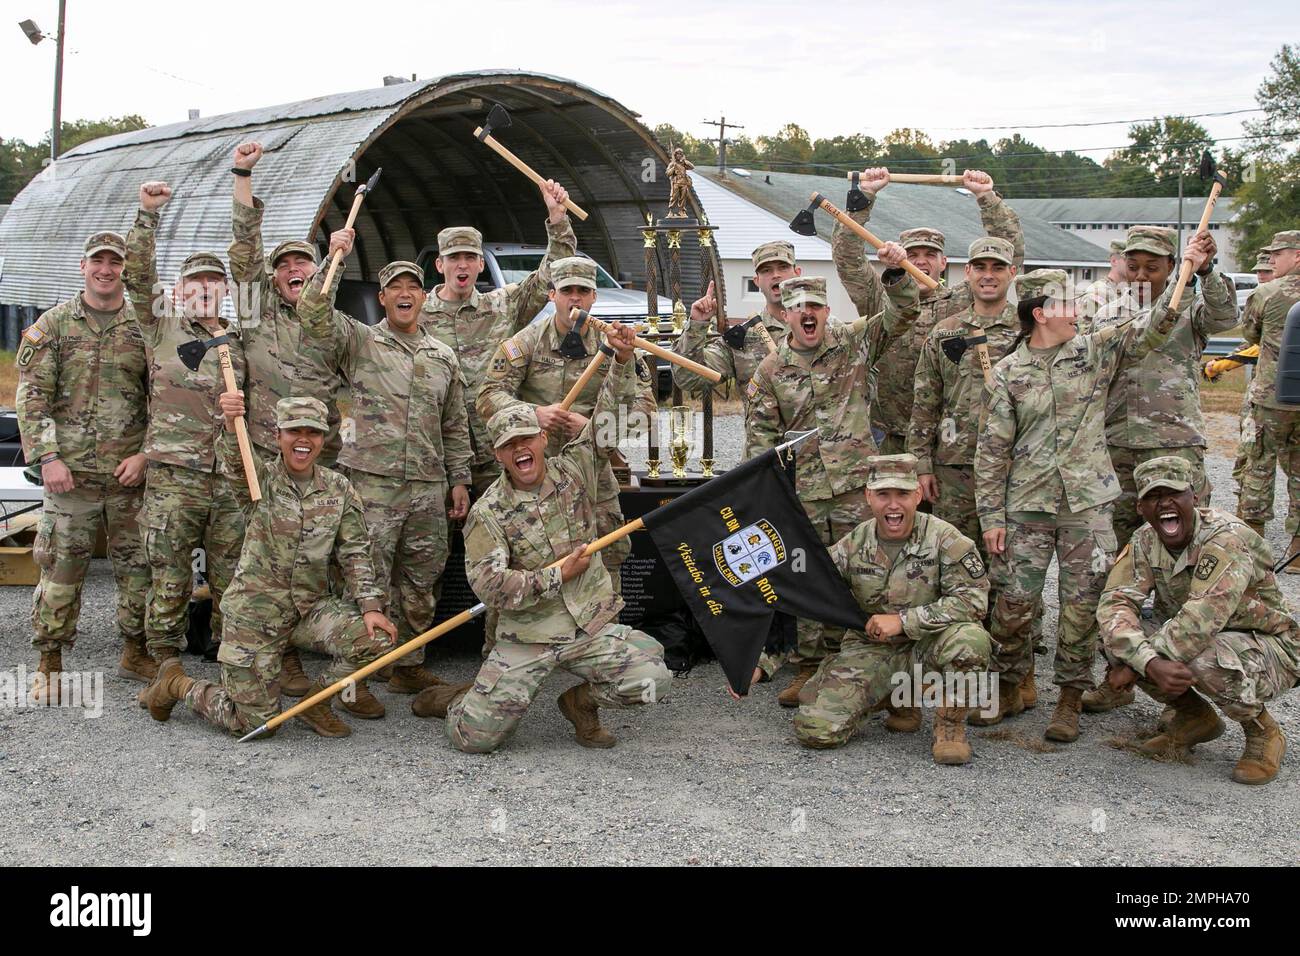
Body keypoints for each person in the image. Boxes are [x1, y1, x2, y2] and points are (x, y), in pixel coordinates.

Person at [414, 323, 672, 753]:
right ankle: (459, 700)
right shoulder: (488, 513)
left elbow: (608, 425)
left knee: (652, 679)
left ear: (543, 439)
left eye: (526, 439)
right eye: (508, 444)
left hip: (586, 627)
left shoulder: (576, 470)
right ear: (497, 454)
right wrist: (554, 577)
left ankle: (579, 703)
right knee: (473, 741)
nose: (519, 450)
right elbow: (489, 586)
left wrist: (623, 361)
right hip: (527, 637)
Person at [975, 267, 1183, 742]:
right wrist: (990, 515)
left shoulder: (1093, 351)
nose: (1078, 312)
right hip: (1025, 505)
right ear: (1042, 314)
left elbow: (1154, 326)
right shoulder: (1008, 372)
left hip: (1086, 505)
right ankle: (1010, 685)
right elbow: (991, 452)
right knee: (1013, 604)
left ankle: (1069, 696)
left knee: (1082, 605)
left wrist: (1186, 271)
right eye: (1068, 305)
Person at [141, 395, 399, 738]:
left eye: (314, 432)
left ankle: (315, 703)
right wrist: (232, 422)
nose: (304, 440)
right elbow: (234, 460)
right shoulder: (258, 480)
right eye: (294, 431)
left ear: (324, 439)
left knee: (377, 639)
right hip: (255, 616)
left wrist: (370, 606)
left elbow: (354, 552)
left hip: (308, 610)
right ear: (278, 436)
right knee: (255, 726)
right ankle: (177, 685)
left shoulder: (339, 488)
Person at [299, 252, 472, 694]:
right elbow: (314, 311)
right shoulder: (360, 342)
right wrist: (336, 257)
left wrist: (459, 481)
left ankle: (408, 663)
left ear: (423, 299)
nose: (405, 294)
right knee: (366, 576)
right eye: (395, 287)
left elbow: (453, 424)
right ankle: (360, 669)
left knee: (421, 580)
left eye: (413, 287)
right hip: (371, 485)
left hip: (428, 488)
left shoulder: (442, 357)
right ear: (382, 298)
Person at [745, 264, 919, 706]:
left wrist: (896, 273)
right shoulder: (770, 371)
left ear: (827, 311)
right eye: (797, 306)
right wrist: (766, 500)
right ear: (784, 313)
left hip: (855, 489)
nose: (807, 314)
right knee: (806, 577)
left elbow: (902, 312)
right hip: (802, 494)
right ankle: (810, 668)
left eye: (815, 306)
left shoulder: (854, 342)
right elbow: (759, 442)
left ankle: (868, 663)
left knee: (865, 575)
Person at [228, 140, 355, 695]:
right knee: (260, 559)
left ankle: (303, 650)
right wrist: (243, 175)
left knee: (313, 559)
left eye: (303, 262)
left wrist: (337, 252)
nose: (293, 270)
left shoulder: (329, 318)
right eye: (283, 266)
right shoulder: (256, 315)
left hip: (319, 462)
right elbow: (243, 246)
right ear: (272, 277)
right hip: (262, 461)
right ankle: (250, 648)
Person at [1098, 456, 1297, 785]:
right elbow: (1115, 602)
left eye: (1174, 494)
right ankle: (1195, 718)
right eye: (1153, 497)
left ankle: (1263, 731)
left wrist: (1140, 664)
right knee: (1115, 638)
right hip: (1200, 638)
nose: (1164, 504)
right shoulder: (1144, 540)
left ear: (1195, 498)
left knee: (1199, 657)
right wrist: (1140, 657)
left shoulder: (1225, 539)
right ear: (1140, 508)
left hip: (1269, 645)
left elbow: (1199, 621)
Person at [17, 231, 152, 702]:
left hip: (128, 476)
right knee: (61, 569)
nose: (106, 270)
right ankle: (49, 661)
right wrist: (48, 458)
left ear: (124, 269)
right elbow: (31, 397)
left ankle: (136, 650)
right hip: (69, 477)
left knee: (139, 570)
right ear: (83, 266)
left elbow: (168, 397)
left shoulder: (144, 327)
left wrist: (146, 454)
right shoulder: (53, 325)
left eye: (115, 262)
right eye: (99, 261)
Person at [123, 181, 248, 682]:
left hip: (228, 476)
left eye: (214, 282)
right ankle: (164, 658)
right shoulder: (162, 328)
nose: (204, 290)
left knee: (231, 571)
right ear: (178, 291)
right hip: (175, 475)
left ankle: (228, 653)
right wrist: (148, 214)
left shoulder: (238, 340)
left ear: (225, 290)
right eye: (194, 283)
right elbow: (136, 274)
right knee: (169, 572)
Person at [794, 455, 992, 765]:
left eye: (902, 494)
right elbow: (808, 592)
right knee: (815, 730)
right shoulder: (853, 544)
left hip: (931, 644)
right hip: (873, 648)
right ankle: (892, 696)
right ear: (869, 497)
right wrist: (762, 659)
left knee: (971, 641)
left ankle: (950, 727)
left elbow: (974, 601)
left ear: (917, 495)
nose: (893, 505)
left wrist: (903, 621)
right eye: (883, 495)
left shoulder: (946, 539)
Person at [477, 256, 656, 595]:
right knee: (522, 555)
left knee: (608, 549)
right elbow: (487, 397)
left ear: (594, 297)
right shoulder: (525, 343)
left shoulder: (616, 347)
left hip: (591, 467)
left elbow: (644, 414)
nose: (575, 298)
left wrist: (593, 427)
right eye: (567, 291)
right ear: (552, 295)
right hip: (531, 468)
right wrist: (533, 415)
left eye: (583, 291)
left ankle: (605, 634)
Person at [831, 167, 1023, 454]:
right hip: (891, 438)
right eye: (912, 255)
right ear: (898, 258)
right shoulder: (880, 298)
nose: (921, 262)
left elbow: (1008, 253)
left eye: (929, 255)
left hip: (949, 442)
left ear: (943, 262)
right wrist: (865, 195)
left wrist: (986, 198)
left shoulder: (964, 301)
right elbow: (847, 256)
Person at [420, 179, 576, 494]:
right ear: (440, 264)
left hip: (499, 449)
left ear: (480, 264)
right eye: (453, 257)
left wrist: (557, 218)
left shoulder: (503, 305)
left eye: (469, 256)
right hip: (439, 455)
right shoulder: (417, 315)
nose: (461, 264)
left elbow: (552, 275)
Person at [1095, 226, 1237, 551]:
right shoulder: (1108, 315)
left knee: (1183, 538)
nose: (1141, 275)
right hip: (1120, 444)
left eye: (1152, 267)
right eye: (1133, 267)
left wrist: (1205, 270)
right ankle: (1119, 601)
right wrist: (1182, 286)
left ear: (1171, 266)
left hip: (1176, 443)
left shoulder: (1192, 311)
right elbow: (1144, 335)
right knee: (1114, 538)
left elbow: (1226, 317)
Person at [1238, 231, 1300, 553]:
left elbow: (1251, 333)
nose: (1272, 260)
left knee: (1260, 463)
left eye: (1279, 254)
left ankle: (1253, 541)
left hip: (1271, 397)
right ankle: (1298, 549)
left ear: (1298, 256)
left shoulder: (1266, 292)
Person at [672, 241, 795, 403]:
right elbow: (688, 379)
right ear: (756, 281)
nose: (776, 275)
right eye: (766, 270)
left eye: (783, 267)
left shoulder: (826, 329)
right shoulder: (742, 338)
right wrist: (697, 326)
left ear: (797, 273)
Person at [1075, 239, 1131, 325]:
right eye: (1128, 260)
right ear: (1114, 261)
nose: (1133, 265)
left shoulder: (1132, 292)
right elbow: (1087, 333)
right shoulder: (1098, 293)